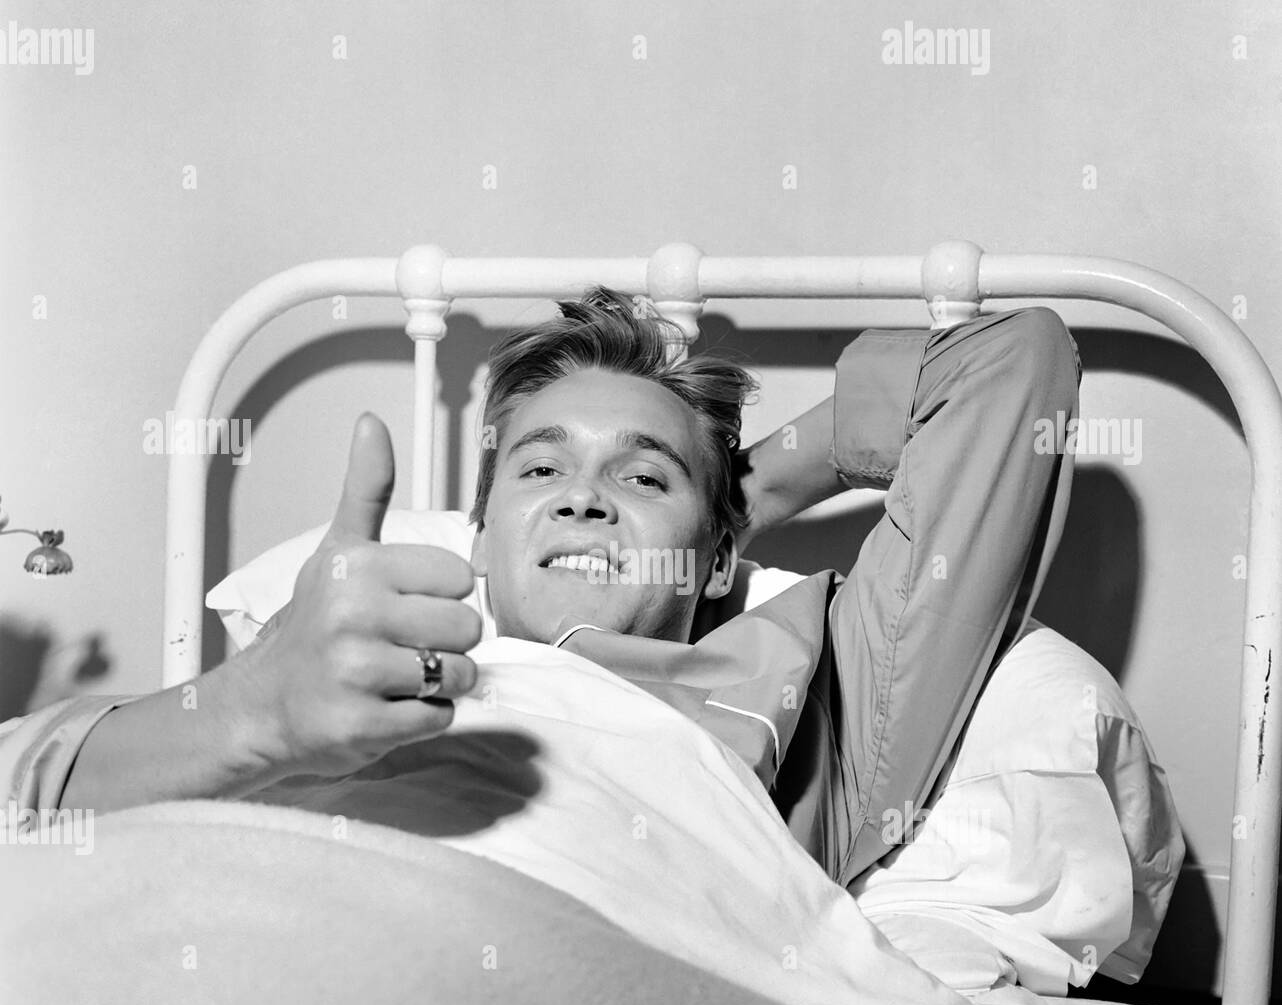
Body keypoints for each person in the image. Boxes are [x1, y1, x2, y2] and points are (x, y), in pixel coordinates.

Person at [4, 288, 1081, 888]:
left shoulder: (809, 694)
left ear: (717, 562)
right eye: (540, 468)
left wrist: (737, 502)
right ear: (477, 540)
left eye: (639, 474)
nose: (581, 498)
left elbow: (1011, 364)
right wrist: (246, 712)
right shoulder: (339, 666)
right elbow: (23, 790)